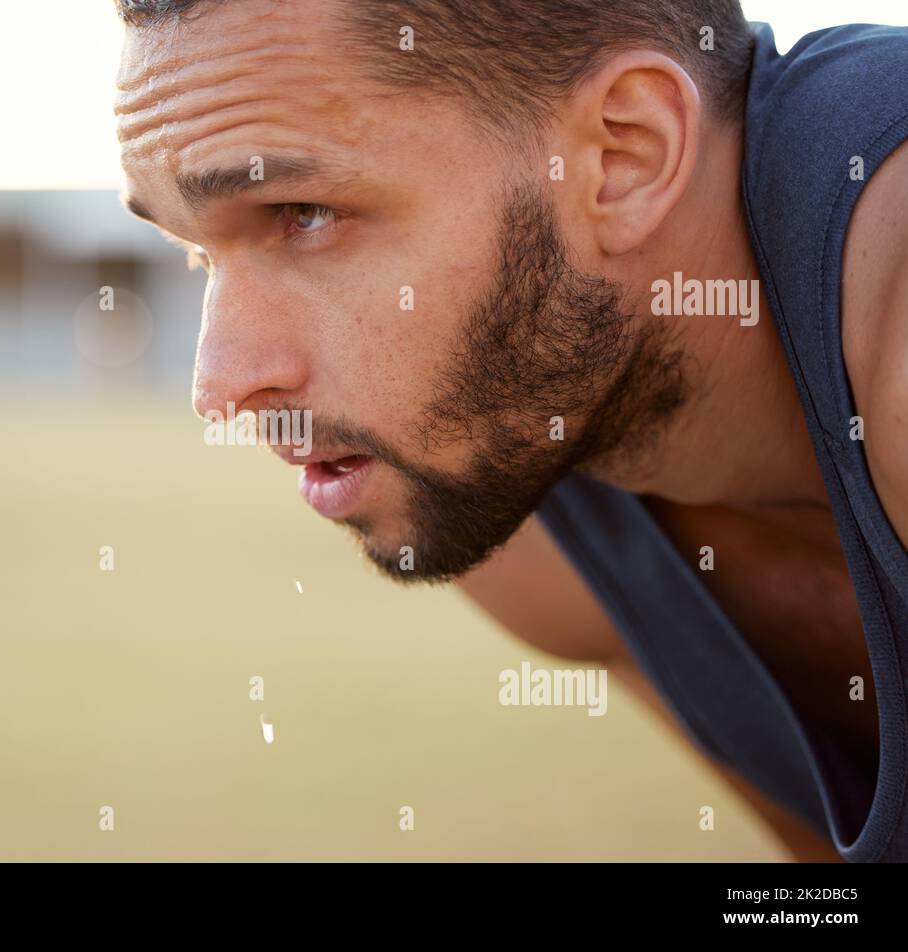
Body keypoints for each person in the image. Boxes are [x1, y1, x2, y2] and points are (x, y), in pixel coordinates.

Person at [112, 0, 908, 862]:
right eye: (198, 253)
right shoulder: (508, 506)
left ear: (623, 156)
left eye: (303, 213)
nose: (220, 385)